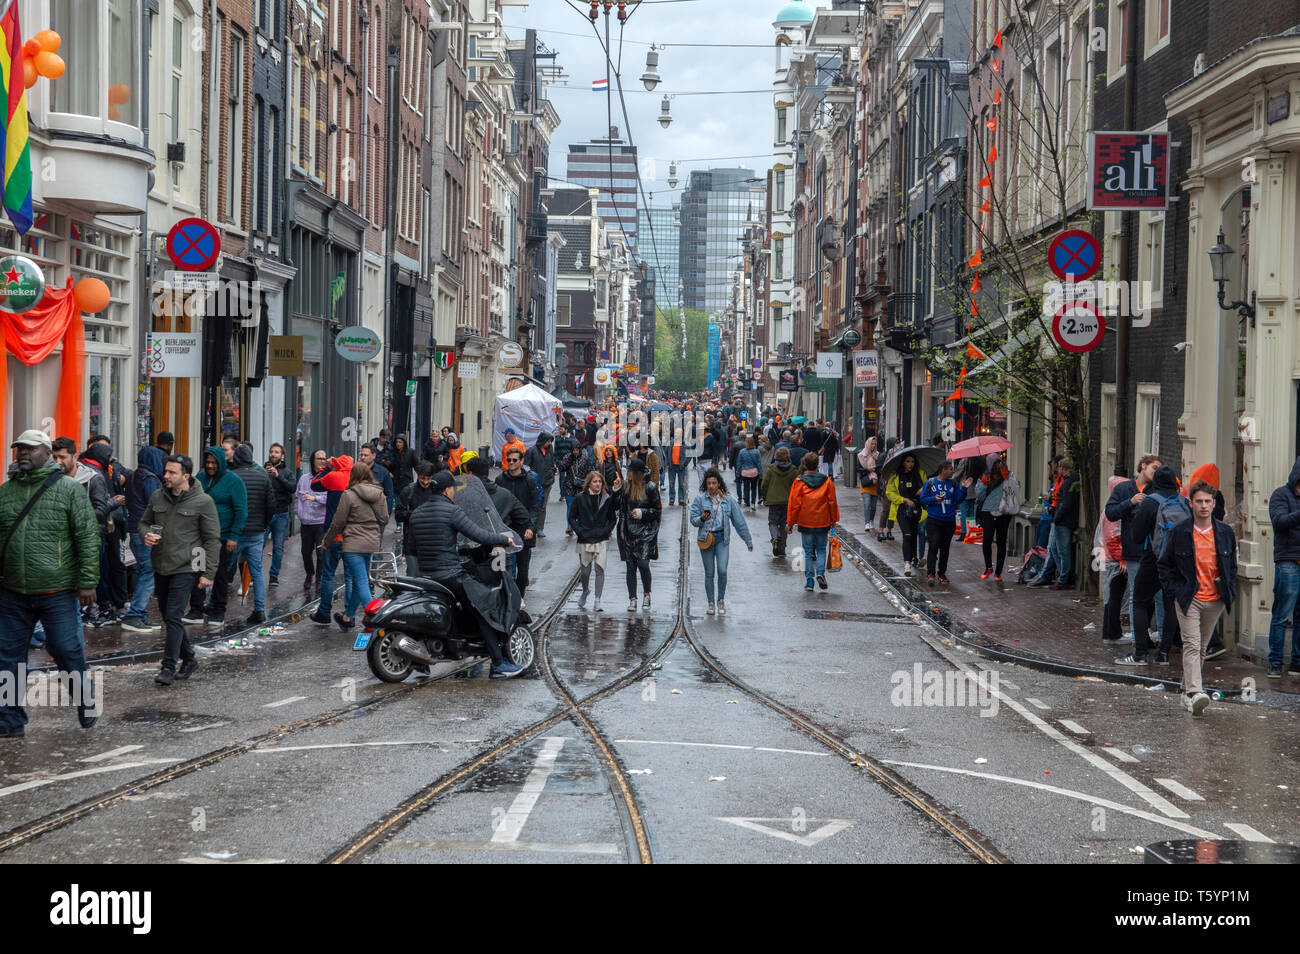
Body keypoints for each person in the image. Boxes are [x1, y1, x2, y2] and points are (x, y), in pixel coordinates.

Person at [0, 430, 101, 737]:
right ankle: (9, 720)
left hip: (57, 589)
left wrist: (87, 582)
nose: (23, 454)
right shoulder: (5, 492)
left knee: (66, 650)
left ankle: (84, 700)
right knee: (7, 657)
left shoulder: (69, 489)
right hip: (13, 590)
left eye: (30, 449)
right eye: (19, 449)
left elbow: (87, 536)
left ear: (46, 452)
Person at [405, 471, 524, 679]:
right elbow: (479, 534)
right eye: (453, 489)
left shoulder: (417, 513)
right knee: (482, 607)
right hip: (450, 575)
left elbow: (412, 550)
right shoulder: (452, 511)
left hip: (426, 577)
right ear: (448, 490)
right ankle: (498, 664)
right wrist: (504, 540)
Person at [1158, 480, 1238, 714]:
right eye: (1199, 501)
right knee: (1191, 644)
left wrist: (1228, 588)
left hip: (1215, 599)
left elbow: (1230, 565)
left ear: (1214, 504)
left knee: (1202, 647)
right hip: (1189, 596)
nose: (1203, 506)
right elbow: (1164, 565)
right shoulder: (1179, 532)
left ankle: (1186, 691)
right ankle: (1195, 692)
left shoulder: (1224, 532)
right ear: (1190, 503)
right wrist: (1176, 589)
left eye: (1207, 501)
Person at [141, 455, 220, 685]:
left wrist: (208, 573)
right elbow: (143, 522)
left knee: (174, 615)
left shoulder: (203, 501)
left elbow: (212, 539)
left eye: (172, 473)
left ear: (185, 476)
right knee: (168, 616)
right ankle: (190, 658)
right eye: (166, 471)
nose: (166, 476)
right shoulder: (158, 496)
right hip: (161, 565)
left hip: (186, 566)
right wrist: (145, 534)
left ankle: (168, 667)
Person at [1116, 464, 1188, 667]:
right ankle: (1164, 654)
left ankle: (1140, 654)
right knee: (1170, 604)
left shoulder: (1150, 502)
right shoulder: (1184, 502)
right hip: (1177, 562)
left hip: (1153, 560)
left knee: (1139, 601)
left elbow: (1137, 536)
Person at [322, 462, 389, 631]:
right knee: (362, 581)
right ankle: (348, 616)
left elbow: (338, 522)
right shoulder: (379, 494)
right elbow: (384, 519)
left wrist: (327, 540)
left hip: (353, 544)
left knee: (361, 582)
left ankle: (374, 620)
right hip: (371, 543)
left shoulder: (349, 495)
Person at [185, 445, 247, 627]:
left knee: (220, 574)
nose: (210, 465)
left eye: (214, 462)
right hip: (199, 537)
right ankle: (196, 609)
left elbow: (241, 510)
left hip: (223, 536)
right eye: (208, 462)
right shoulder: (200, 478)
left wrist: (234, 536)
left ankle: (218, 610)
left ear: (221, 462)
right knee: (196, 571)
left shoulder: (233, 481)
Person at [1106, 455, 1164, 639]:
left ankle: (1162, 636)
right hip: (1133, 550)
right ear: (1143, 466)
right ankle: (1138, 636)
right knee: (1135, 595)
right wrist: (1130, 502)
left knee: (1159, 595)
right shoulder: (1124, 488)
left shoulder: (1158, 490)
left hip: (1155, 552)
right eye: (1154, 467)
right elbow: (1110, 513)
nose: (1156, 472)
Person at [690, 468, 753, 616]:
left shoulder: (728, 500)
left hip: (722, 539)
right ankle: (711, 603)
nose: (711, 486)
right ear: (705, 485)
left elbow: (739, 521)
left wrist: (747, 540)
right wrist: (701, 519)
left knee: (722, 570)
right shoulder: (700, 499)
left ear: (719, 484)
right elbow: (693, 519)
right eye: (709, 483)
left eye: (714, 483)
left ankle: (721, 600)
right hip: (706, 539)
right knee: (709, 572)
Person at [121, 444, 166, 633]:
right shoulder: (150, 478)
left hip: (135, 529)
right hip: (146, 531)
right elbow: (156, 505)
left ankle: (139, 614)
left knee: (143, 571)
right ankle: (135, 614)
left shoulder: (134, 476)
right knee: (149, 572)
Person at [228, 443, 273, 626]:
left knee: (225, 569)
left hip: (235, 533)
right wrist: (264, 524)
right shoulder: (263, 476)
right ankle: (259, 610)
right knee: (257, 572)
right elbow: (271, 505)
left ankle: (217, 608)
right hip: (256, 532)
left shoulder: (232, 477)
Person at [308, 454, 355, 626]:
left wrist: (327, 467)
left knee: (328, 575)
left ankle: (325, 612)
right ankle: (349, 615)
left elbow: (314, 484)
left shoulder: (333, 476)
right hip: (352, 536)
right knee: (350, 576)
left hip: (333, 534)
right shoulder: (357, 479)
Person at [1266, 458, 1300, 678]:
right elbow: (1279, 521)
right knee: (1281, 614)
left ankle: (1297, 662)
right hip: (1288, 560)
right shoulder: (1281, 495)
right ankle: (1275, 662)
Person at [786, 452, 839, 592]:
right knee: (821, 549)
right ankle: (820, 573)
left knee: (808, 552)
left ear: (804, 465)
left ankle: (809, 581)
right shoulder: (827, 481)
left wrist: (790, 523)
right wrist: (834, 519)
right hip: (822, 521)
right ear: (817, 465)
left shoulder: (799, 482)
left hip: (805, 521)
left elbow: (795, 504)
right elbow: (832, 502)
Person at [571, 469, 621, 612]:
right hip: (585, 538)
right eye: (595, 481)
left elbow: (613, 516)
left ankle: (598, 599)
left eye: (600, 482)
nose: (598, 484)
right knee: (585, 571)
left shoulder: (606, 498)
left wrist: (607, 530)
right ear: (589, 483)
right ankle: (585, 590)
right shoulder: (580, 498)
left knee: (600, 569)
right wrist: (579, 530)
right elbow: (572, 516)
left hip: (601, 538)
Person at [496, 445, 540, 598]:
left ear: (521, 462)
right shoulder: (500, 479)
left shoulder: (529, 480)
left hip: (523, 528)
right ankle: (505, 596)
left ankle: (519, 598)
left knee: (522, 567)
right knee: (501, 564)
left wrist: (531, 527)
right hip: (505, 528)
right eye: (509, 460)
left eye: (515, 460)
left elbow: (535, 505)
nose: (511, 462)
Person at [617, 458, 661, 612]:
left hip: (645, 533)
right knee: (630, 567)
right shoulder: (625, 487)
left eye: (629, 471)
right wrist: (615, 491)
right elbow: (619, 509)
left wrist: (642, 513)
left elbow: (657, 511)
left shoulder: (650, 487)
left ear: (636, 473)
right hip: (628, 532)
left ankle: (647, 594)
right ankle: (633, 598)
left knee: (643, 564)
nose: (626, 473)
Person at [919, 460, 967, 585]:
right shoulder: (930, 483)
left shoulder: (953, 483)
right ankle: (930, 572)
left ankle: (942, 573)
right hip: (934, 520)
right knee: (934, 545)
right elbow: (923, 499)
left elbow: (958, 499)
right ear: (943, 470)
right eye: (950, 469)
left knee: (945, 548)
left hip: (949, 521)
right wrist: (933, 499)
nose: (953, 471)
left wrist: (964, 489)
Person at [1099, 473, 1131, 644]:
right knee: (1114, 597)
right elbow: (1112, 540)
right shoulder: (1114, 514)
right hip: (1114, 562)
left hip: (1111, 560)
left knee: (1112, 596)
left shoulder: (1111, 509)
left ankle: (1110, 632)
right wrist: (1122, 559)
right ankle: (1113, 633)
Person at [975, 456, 1017, 581]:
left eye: (999, 462)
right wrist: (983, 483)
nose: (998, 465)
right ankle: (988, 567)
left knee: (1001, 541)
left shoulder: (1009, 474)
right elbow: (979, 496)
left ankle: (998, 572)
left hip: (1004, 512)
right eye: (995, 463)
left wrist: (1007, 478)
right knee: (987, 540)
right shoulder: (985, 477)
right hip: (987, 512)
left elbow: (1016, 488)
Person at [886, 452, 927, 576]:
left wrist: (923, 490)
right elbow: (890, 493)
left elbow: (928, 488)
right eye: (908, 461)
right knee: (907, 534)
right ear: (903, 462)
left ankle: (914, 557)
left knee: (914, 534)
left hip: (917, 510)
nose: (910, 464)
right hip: (901, 510)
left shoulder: (921, 474)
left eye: (912, 462)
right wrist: (904, 499)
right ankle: (907, 564)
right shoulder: (895, 476)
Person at [396, 462, 439, 577]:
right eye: (422, 478)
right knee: (413, 576)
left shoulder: (436, 491)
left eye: (428, 479)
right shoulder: (408, 491)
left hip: (432, 542)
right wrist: (416, 514)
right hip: (412, 543)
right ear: (418, 475)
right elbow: (399, 515)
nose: (425, 482)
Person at [296, 450, 329, 592]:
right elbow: (297, 496)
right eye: (319, 458)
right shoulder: (304, 478)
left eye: (324, 458)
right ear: (312, 460)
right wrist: (298, 512)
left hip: (321, 521)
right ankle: (310, 573)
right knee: (305, 552)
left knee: (321, 552)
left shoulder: (328, 478)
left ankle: (319, 578)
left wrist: (315, 498)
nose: (322, 461)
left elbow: (330, 498)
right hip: (306, 522)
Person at [263, 442, 295, 587]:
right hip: (264, 515)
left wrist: (278, 476)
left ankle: (274, 576)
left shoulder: (287, 472)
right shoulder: (262, 470)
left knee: (278, 548)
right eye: (271, 451)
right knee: (258, 546)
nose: (273, 454)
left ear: (282, 456)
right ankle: (251, 576)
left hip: (281, 514)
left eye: (276, 452)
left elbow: (292, 488)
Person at [761, 446, 799, 557]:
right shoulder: (793, 470)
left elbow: (764, 485)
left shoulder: (771, 469)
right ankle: (781, 549)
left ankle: (774, 537)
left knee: (772, 522)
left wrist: (764, 497)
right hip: (787, 502)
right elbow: (796, 487)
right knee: (784, 524)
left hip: (773, 501)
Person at [524, 432, 557, 537]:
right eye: (548, 441)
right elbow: (526, 467)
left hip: (547, 483)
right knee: (533, 505)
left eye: (550, 442)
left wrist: (552, 475)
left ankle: (540, 528)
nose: (549, 443)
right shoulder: (531, 451)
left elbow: (552, 464)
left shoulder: (549, 452)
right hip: (534, 483)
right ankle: (531, 527)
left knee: (543, 507)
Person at [558, 443, 593, 537]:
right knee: (570, 506)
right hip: (570, 485)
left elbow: (591, 471)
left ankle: (579, 525)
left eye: (577, 450)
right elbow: (561, 468)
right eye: (573, 450)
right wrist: (568, 461)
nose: (575, 452)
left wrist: (589, 483)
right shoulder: (567, 457)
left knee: (582, 507)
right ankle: (570, 526)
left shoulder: (585, 458)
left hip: (582, 486)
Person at [358, 443, 395, 519]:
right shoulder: (356, 471)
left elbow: (389, 495)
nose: (362, 457)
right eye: (361, 455)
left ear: (373, 456)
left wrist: (386, 515)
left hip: (376, 516)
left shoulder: (383, 473)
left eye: (366, 455)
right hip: (359, 516)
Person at [857, 436, 879, 532]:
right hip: (866, 482)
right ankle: (866, 523)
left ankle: (871, 521)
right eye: (872, 444)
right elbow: (858, 469)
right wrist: (867, 469)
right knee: (867, 503)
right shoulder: (861, 455)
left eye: (875, 444)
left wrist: (876, 461)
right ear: (868, 444)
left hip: (875, 482)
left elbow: (880, 468)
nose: (873, 446)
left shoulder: (877, 455)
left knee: (873, 506)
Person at [735, 435, 763, 511]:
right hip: (754, 473)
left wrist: (738, 472)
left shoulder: (742, 451)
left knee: (746, 489)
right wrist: (760, 473)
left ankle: (747, 505)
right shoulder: (757, 451)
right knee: (754, 488)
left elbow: (739, 463)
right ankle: (753, 503)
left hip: (745, 473)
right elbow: (759, 463)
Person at [389, 434, 418, 498]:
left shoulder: (410, 452)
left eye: (400, 442)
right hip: (396, 482)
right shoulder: (392, 453)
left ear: (404, 443)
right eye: (396, 442)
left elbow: (417, 466)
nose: (398, 444)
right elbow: (390, 466)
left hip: (407, 481)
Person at [665, 429, 688, 507]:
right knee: (671, 484)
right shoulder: (671, 443)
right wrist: (668, 463)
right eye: (676, 433)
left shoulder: (684, 444)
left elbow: (689, 455)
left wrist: (685, 464)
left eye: (678, 433)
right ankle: (672, 499)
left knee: (681, 484)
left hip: (681, 467)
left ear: (681, 434)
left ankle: (681, 499)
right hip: (672, 467)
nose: (676, 434)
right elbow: (666, 452)